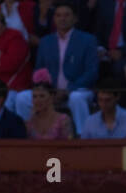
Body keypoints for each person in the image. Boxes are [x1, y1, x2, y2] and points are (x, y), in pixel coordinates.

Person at [35, 1, 98, 131]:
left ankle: (83, 135)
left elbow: (91, 72)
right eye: (58, 15)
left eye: (66, 15)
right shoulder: (45, 42)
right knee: (22, 98)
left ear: (75, 18)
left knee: (76, 98)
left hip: (79, 90)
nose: (62, 19)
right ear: (54, 19)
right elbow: (38, 71)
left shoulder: (88, 40)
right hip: (51, 92)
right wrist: (48, 91)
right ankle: (31, 133)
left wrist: (69, 89)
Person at [26, 68, 75, 136]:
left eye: (42, 96)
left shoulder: (63, 120)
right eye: (35, 96)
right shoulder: (30, 122)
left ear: (51, 97)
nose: (37, 100)